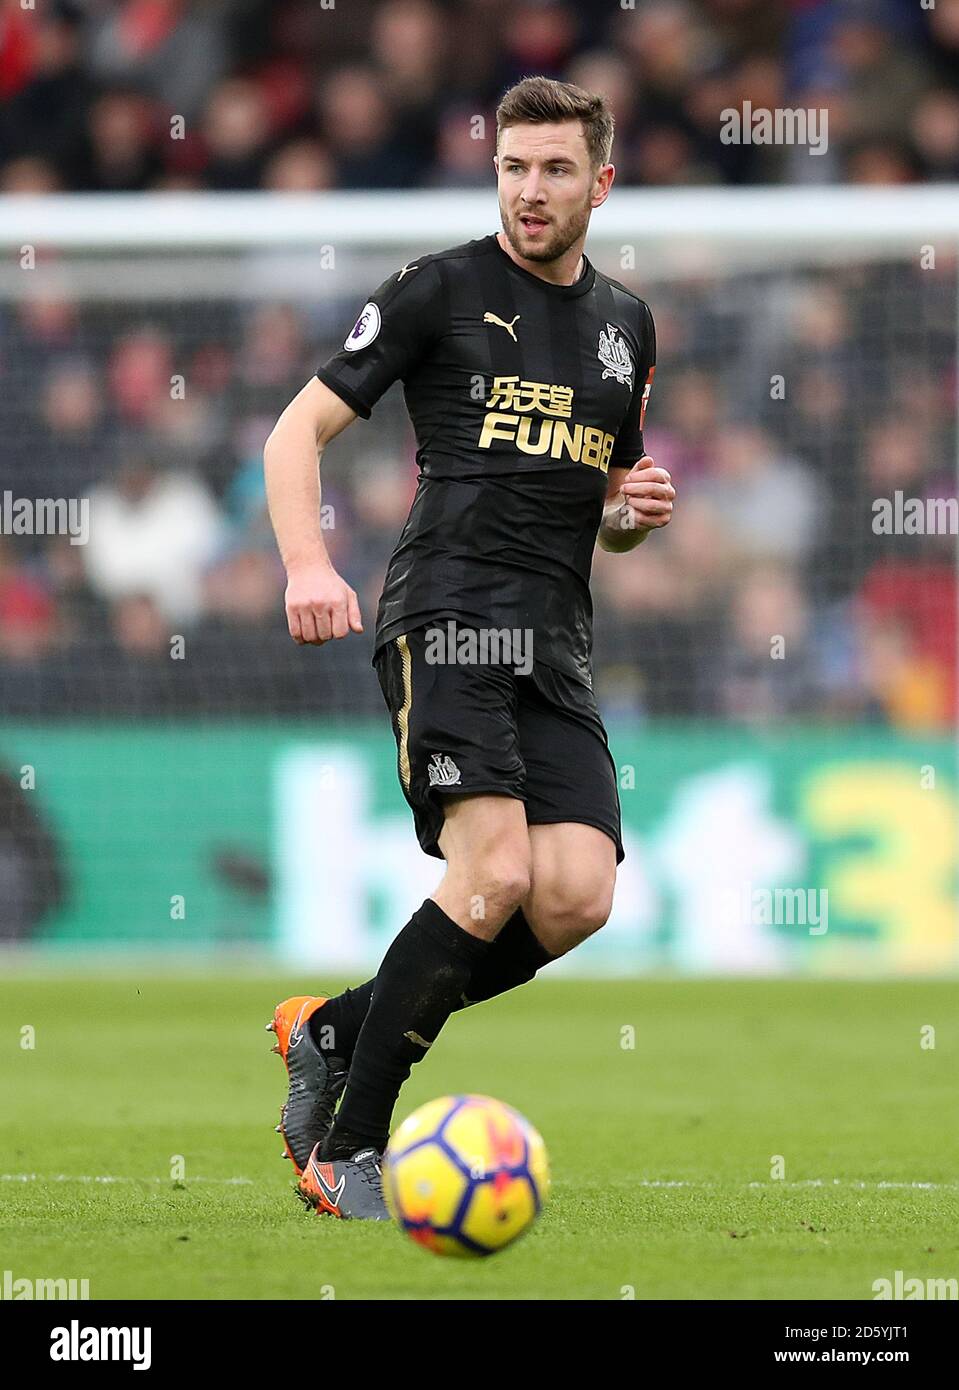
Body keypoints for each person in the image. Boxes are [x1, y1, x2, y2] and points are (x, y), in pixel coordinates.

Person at [263, 76, 675, 1219]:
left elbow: (603, 505)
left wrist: (627, 517)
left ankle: (336, 1025)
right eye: (510, 166)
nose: (528, 190)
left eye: (552, 170)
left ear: (599, 182)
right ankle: (346, 1151)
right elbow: (296, 428)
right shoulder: (436, 288)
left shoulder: (625, 325)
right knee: (489, 872)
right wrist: (306, 561)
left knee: (574, 895)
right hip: (443, 614)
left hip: (555, 641)